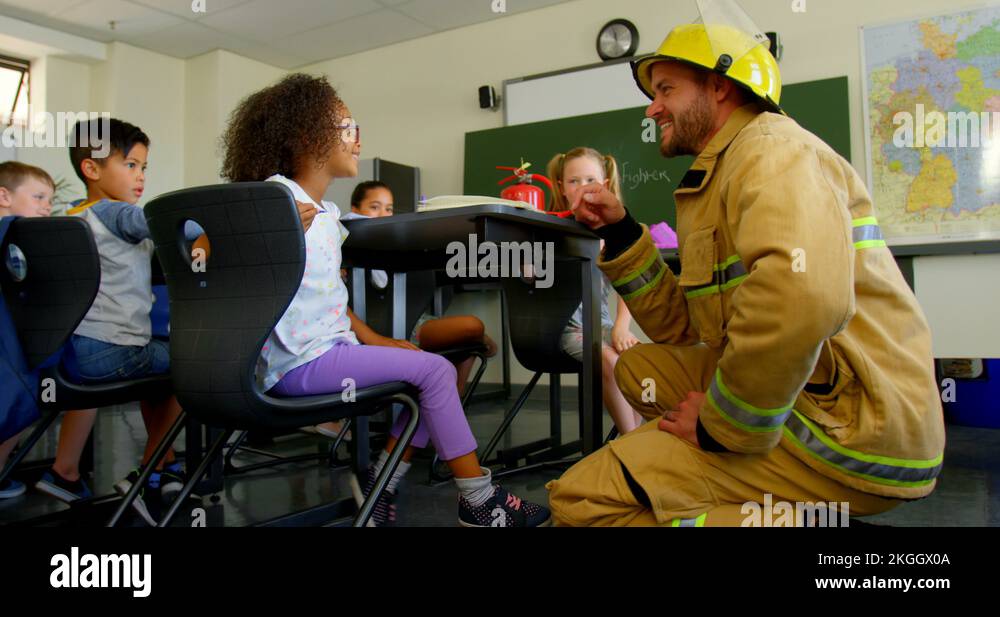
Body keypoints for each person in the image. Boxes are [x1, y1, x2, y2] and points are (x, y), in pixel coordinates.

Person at [547, 12, 945, 526]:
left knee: (579, 500)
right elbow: (680, 327)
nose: (653, 107)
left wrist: (720, 428)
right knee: (636, 369)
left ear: (718, 86)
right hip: (814, 394)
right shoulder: (720, 173)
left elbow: (802, 300)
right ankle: (743, 497)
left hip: (853, 428)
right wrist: (621, 231)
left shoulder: (772, 149)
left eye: (666, 88)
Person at [220, 73, 550, 527]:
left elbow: (327, 299)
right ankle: (479, 500)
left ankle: (381, 485)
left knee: (436, 363)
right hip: (296, 365)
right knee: (433, 370)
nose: (358, 138)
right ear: (305, 135)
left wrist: (376, 338)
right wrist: (271, 239)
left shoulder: (326, 214)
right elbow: (206, 250)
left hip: (328, 354)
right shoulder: (275, 197)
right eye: (346, 126)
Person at [54, 118, 188, 524]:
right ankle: (145, 477)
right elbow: (167, 227)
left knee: (159, 370)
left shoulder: (70, 216)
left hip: (73, 351)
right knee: (192, 367)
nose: (141, 177)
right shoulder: (116, 213)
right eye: (131, 165)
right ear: (91, 170)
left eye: (144, 168)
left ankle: (163, 461)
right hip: (111, 351)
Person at [546, 148, 643, 435]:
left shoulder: (613, 231)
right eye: (574, 181)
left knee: (638, 360)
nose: (583, 188)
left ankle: (635, 440)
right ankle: (632, 441)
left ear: (605, 185)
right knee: (610, 361)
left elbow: (628, 285)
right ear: (562, 188)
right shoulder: (549, 228)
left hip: (599, 324)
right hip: (559, 328)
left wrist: (622, 328)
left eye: (590, 180)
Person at [0, 161, 55, 499]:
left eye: (50, 200)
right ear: (3, 195)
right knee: (15, 405)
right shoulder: (16, 239)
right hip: (12, 352)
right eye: (38, 197)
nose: (46, 208)